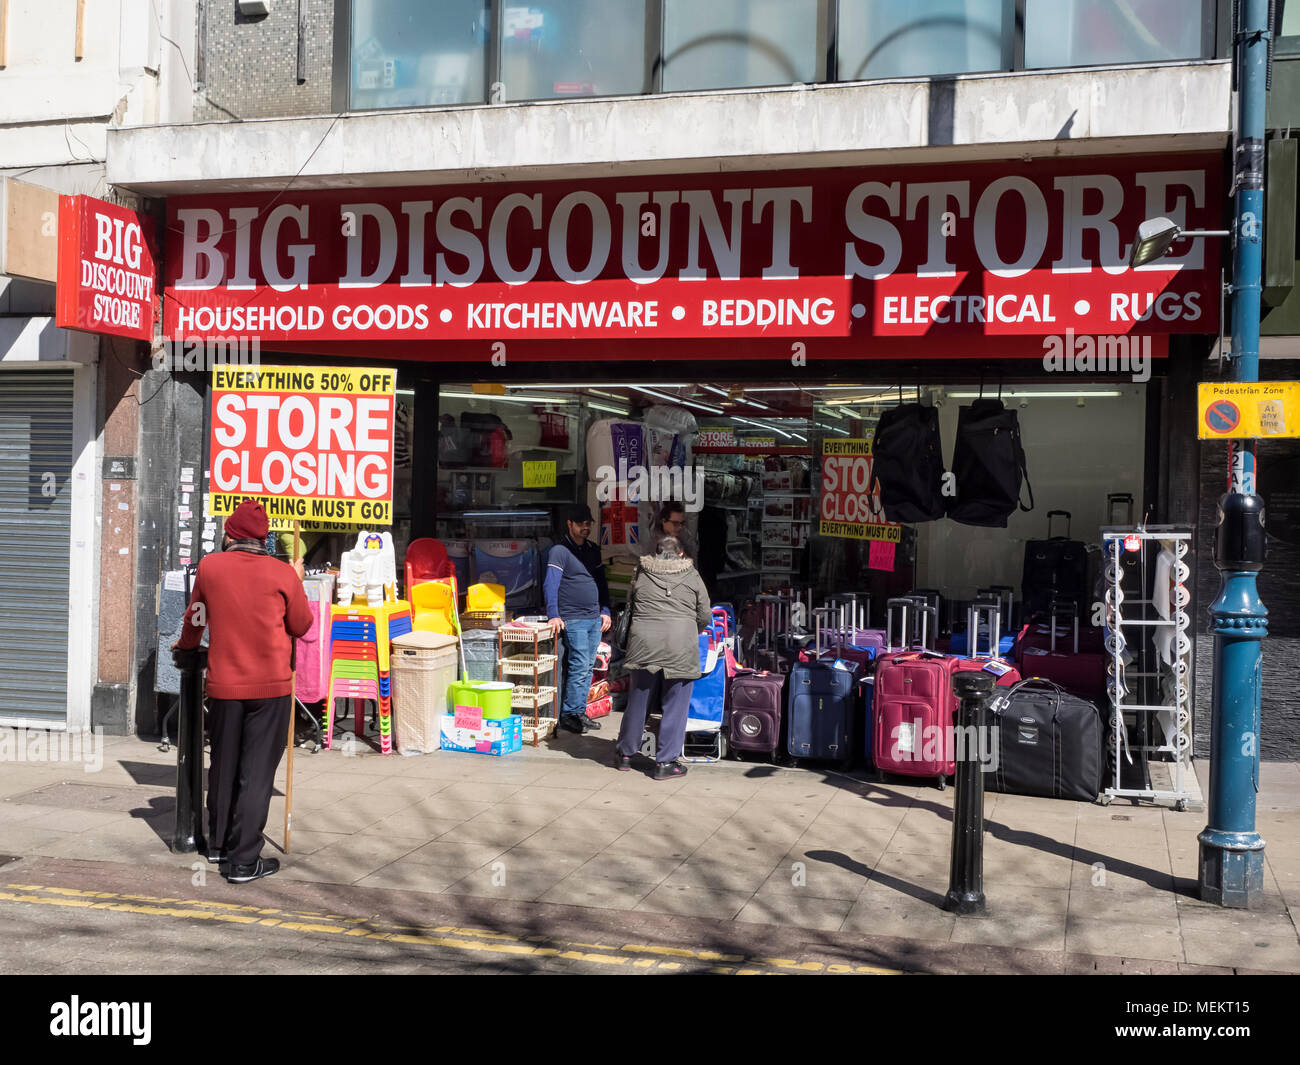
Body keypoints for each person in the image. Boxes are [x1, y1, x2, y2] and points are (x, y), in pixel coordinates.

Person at [172, 500, 313, 884]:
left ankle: (218, 844)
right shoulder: (282, 572)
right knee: (256, 774)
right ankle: (244, 861)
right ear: (264, 538)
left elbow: (195, 617)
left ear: (230, 534)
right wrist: (295, 581)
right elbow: (301, 625)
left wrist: (186, 648)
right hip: (270, 687)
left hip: (224, 684)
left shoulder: (210, 567)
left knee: (223, 764)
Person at [615, 535, 712, 780]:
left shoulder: (641, 572)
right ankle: (665, 762)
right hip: (680, 644)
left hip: (644, 644)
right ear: (680, 554)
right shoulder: (692, 575)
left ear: (656, 553)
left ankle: (625, 755)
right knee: (675, 704)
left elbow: (631, 604)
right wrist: (692, 629)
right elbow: (705, 614)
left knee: (639, 699)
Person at [544, 503, 612, 735]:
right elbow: (550, 584)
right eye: (581, 523)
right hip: (573, 618)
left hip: (594, 617)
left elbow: (601, 583)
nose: (586, 527)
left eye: (588, 523)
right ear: (569, 524)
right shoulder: (559, 551)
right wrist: (553, 614)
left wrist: (606, 610)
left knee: (586, 666)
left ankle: (579, 712)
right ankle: (570, 714)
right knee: (579, 665)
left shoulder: (593, 549)